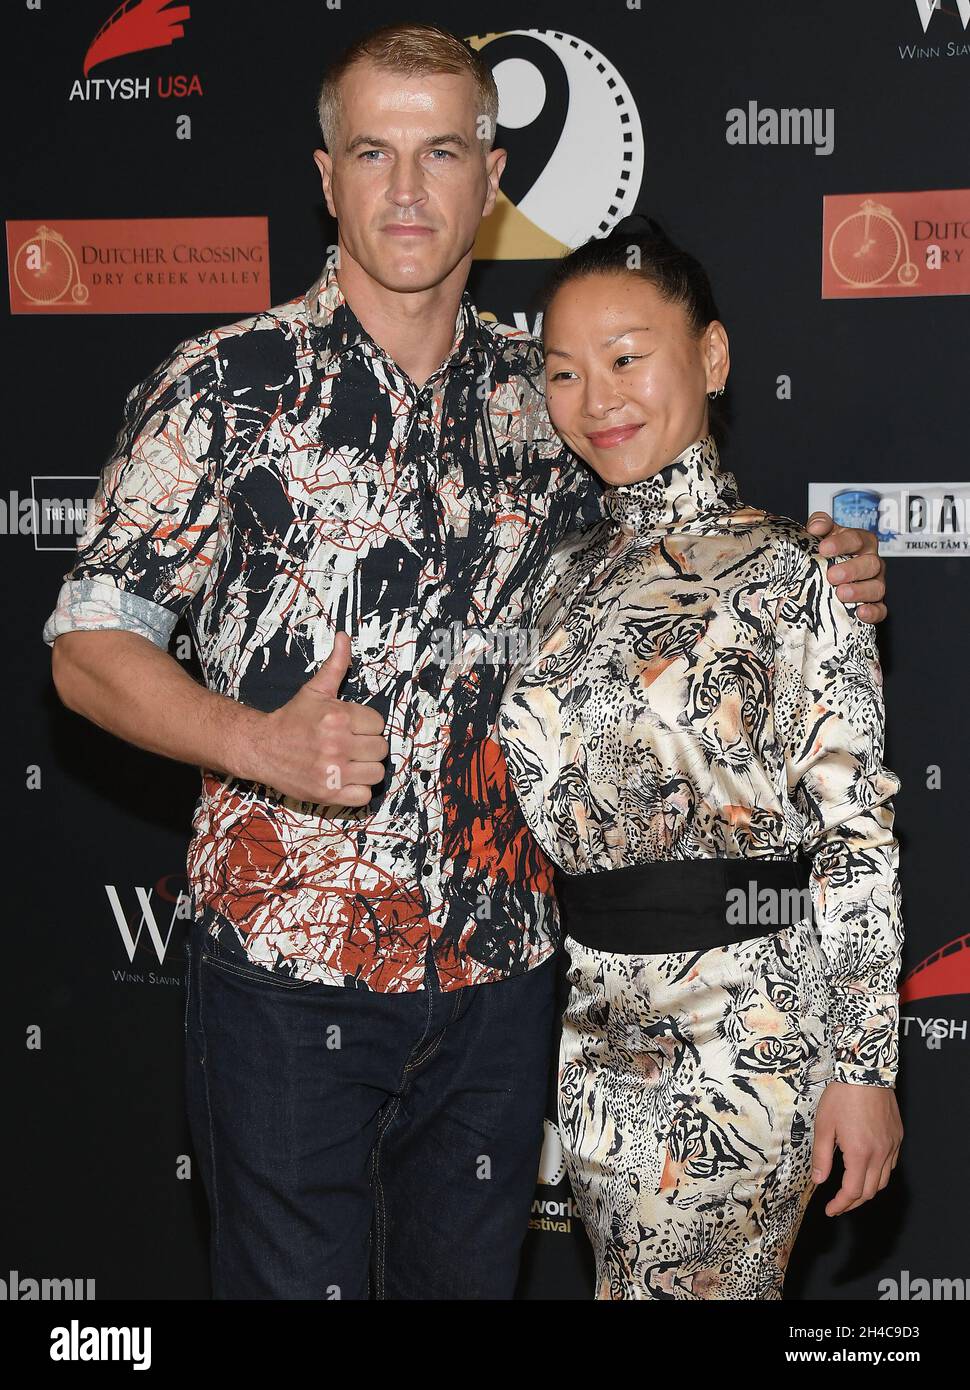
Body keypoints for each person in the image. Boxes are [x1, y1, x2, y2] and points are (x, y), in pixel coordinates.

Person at [41, 24, 888, 1301]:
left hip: (506, 985)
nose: (404, 190)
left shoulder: (541, 391)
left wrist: (812, 557)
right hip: (286, 973)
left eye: (440, 151)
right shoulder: (221, 389)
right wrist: (251, 739)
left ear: (492, 178)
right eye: (370, 151)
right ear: (324, 176)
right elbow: (86, 647)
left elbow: (668, 549)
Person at [496, 216, 904, 1301]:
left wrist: (862, 1070)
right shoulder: (557, 578)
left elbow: (854, 836)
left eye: (628, 357)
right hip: (591, 1026)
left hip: (744, 1025)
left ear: (712, 359)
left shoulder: (792, 571)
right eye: (566, 372)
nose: (598, 397)